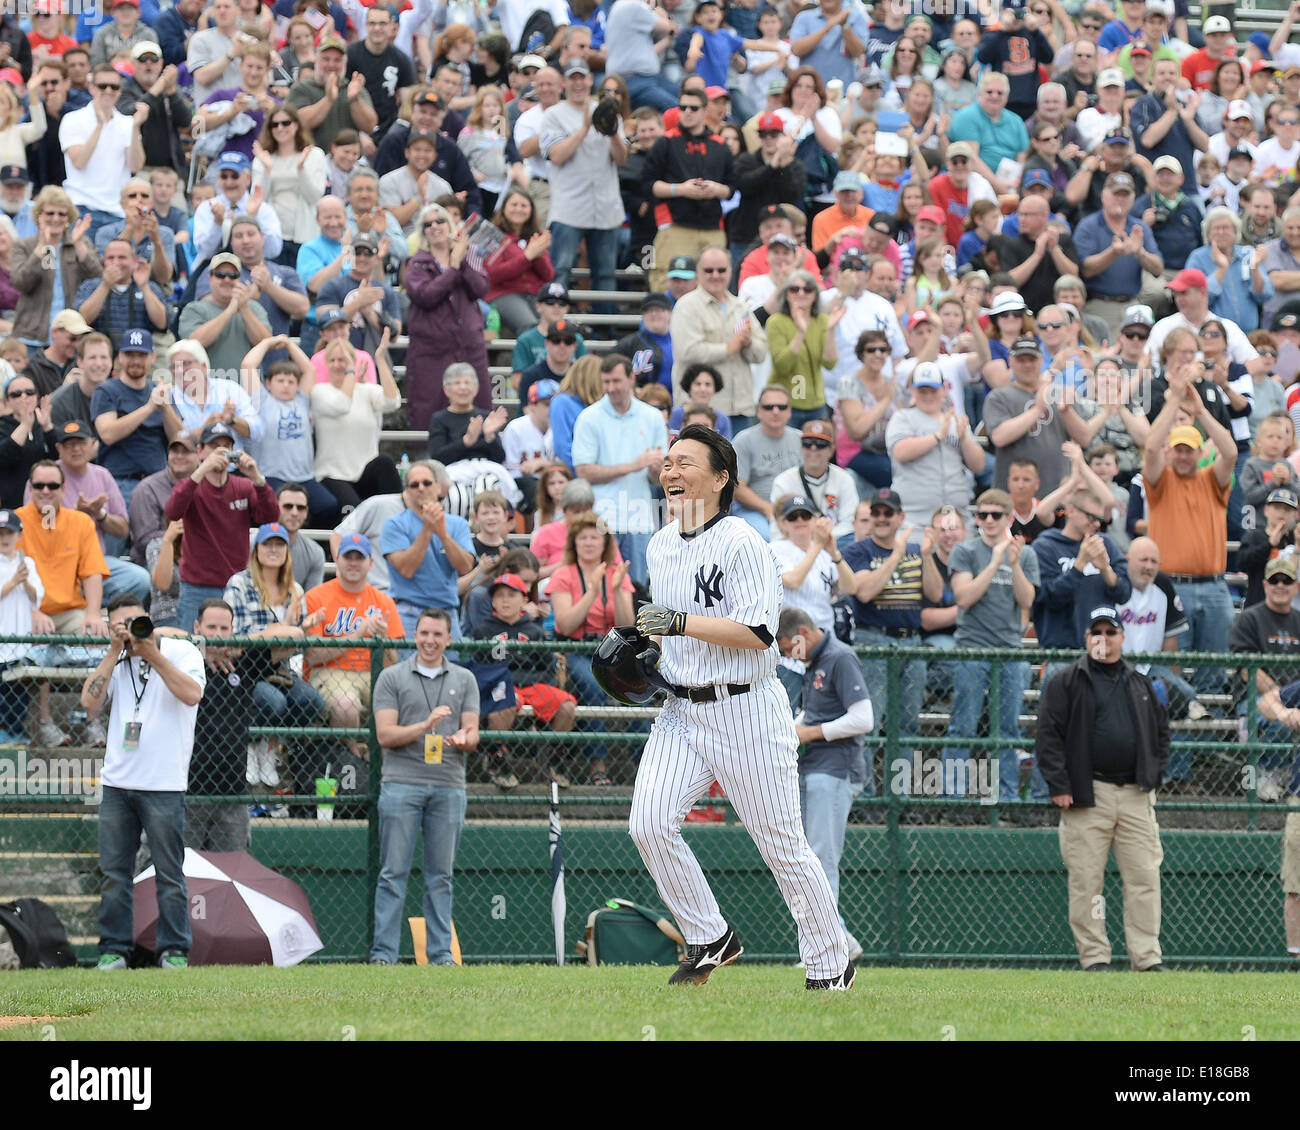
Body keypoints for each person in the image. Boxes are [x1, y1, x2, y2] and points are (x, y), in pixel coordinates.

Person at [625, 424, 854, 989]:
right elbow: (666, 630)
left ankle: (830, 965)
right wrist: (643, 650)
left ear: (722, 478)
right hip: (681, 710)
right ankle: (709, 937)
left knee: (781, 845)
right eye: (668, 462)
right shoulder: (659, 543)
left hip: (745, 710)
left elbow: (757, 632)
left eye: (686, 463)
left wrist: (675, 622)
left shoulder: (743, 541)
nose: (671, 471)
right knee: (648, 823)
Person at [1037, 605, 1169, 972]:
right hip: (1086, 795)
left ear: (1122, 638)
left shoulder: (1141, 683)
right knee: (1087, 882)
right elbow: (1048, 738)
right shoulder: (1065, 682)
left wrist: (1153, 776)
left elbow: (1161, 734)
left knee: (1144, 879)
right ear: (1086, 639)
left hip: (1135, 796)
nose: (1104, 640)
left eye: (1111, 632)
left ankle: (1146, 958)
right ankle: (1095, 956)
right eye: (1097, 632)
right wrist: (1060, 785)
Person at [82, 592, 206, 971]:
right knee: (114, 875)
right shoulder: (115, 659)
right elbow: (89, 705)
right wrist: (111, 653)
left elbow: (192, 695)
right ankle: (114, 950)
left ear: (149, 620)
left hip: (164, 784)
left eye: (136, 622)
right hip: (118, 783)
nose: (131, 632)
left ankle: (173, 951)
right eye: (121, 624)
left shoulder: (182, 652)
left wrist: (152, 653)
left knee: (169, 874)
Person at [369, 606, 479, 965]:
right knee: (392, 874)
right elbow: (385, 735)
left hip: (449, 785)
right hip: (402, 784)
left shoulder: (464, 679)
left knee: (441, 876)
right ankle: (383, 955)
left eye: (437, 635)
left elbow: (472, 733)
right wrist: (426, 724)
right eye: (424, 634)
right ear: (414, 636)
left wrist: (463, 738)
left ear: (449, 639)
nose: (430, 641)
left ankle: (440, 956)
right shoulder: (391, 677)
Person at [776, 605, 872, 965]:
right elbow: (816, 715)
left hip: (834, 770)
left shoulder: (839, 656)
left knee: (820, 860)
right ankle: (837, 941)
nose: (789, 655)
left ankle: (827, 947)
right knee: (809, 859)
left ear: (802, 634)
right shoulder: (816, 662)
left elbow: (864, 718)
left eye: (788, 647)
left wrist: (808, 732)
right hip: (814, 768)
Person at [946, 488, 1042, 805]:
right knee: (963, 726)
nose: (988, 520)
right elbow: (964, 598)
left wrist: (1012, 563)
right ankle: (954, 798)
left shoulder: (1025, 554)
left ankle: (1008, 798)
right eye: (982, 515)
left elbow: (1027, 601)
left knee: (1008, 731)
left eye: (995, 515)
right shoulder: (965, 551)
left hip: (1010, 651)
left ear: (1009, 518)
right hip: (971, 649)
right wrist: (995, 562)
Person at [1143, 361, 1238, 676]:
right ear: (1171, 452)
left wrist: (1200, 412)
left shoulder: (1212, 478)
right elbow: (1151, 447)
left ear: (1200, 453)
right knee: (1173, 672)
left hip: (1214, 586)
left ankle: (1209, 722)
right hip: (1172, 585)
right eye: (1178, 450)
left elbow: (1231, 451)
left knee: (1216, 669)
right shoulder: (1160, 480)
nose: (1183, 456)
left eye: (1189, 450)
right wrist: (1173, 401)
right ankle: (1181, 725)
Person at [17, 458, 110, 747]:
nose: (46, 491)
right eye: (39, 485)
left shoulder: (80, 522)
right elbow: (10, 574)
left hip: (71, 610)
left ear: (63, 488)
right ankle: (44, 723)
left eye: (53, 485)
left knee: (101, 637)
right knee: (38, 641)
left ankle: (93, 722)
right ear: (30, 488)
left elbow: (93, 572)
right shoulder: (14, 522)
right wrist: (31, 611)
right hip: (30, 610)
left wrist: (93, 613)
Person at [164, 421, 280, 633]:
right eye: (214, 447)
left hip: (236, 585)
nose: (222, 453)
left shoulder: (243, 486)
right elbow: (172, 512)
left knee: (234, 650)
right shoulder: (191, 486)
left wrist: (256, 477)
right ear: (200, 451)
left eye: (227, 447)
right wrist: (202, 469)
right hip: (196, 586)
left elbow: (270, 518)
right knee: (191, 649)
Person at [302, 531, 404, 766]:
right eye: (348, 557)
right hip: (331, 672)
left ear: (370, 563)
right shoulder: (316, 596)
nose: (353, 563)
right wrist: (358, 634)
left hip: (373, 672)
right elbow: (313, 655)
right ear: (337, 560)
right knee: (345, 705)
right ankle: (352, 754)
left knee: (409, 701)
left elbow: (392, 661)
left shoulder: (383, 601)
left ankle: (391, 769)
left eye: (360, 558)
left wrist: (382, 640)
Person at [572, 354, 667, 587]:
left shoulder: (652, 417)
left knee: (637, 591)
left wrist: (655, 469)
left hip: (640, 519)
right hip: (601, 517)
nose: (610, 388)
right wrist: (635, 464)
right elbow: (583, 471)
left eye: (616, 381)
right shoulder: (589, 417)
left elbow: (657, 478)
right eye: (606, 382)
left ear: (631, 378)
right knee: (599, 590)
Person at [42, 419, 151, 604]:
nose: (76, 449)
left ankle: (103, 615)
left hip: (95, 561)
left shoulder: (103, 475)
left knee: (140, 580)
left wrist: (100, 515)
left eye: (81, 443)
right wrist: (76, 516)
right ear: (58, 448)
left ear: (93, 445)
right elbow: (42, 528)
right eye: (69, 444)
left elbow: (123, 529)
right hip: (56, 562)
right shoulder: (46, 477)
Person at [540, 61, 625, 297]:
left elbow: (621, 159)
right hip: (569, 208)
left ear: (590, 80)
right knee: (561, 270)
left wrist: (613, 131)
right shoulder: (552, 115)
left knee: (606, 274)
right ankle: (555, 329)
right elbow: (556, 156)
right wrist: (585, 127)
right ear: (564, 83)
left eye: (582, 77)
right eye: (572, 78)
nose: (578, 83)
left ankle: (605, 331)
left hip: (606, 207)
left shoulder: (608, 109)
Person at [642, 84, 733, 294]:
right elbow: (648, 184)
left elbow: (732, 187)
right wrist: (680, 189)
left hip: (712, 227)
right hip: (675, 226)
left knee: (715, 289)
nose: (687, 112)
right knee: (666, 287)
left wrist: (716, 189)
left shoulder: (720, 144)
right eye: (683, 108)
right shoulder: (665, 142)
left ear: (704, 110)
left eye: (693, 108)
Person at [405, 202, 490, 424]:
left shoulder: (467, 254)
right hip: (432, 350)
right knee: (430, 407)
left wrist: (461, 263)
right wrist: (452, 268)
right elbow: (425, 295)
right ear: (422, 231)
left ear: (450, 224)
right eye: (428, 224)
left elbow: (481, 289)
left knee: (477, 406)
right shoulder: (417, 263)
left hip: (469, 347)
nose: (435, 226)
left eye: (440, 220)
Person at [186, 598, 254, 852]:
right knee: (182, 874)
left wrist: (239, 645)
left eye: (224, 629)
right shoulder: (182, 659)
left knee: (231, 875)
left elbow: (291, 634)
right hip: (188, 790)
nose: (217, 635)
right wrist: (198, 647)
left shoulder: (244, 663)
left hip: (232, 792)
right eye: (211, 627)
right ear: (196, 627)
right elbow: (158, 632)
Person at [884, 362, 986, 528]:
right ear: (913, 391)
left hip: (956, 517)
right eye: (922, 390)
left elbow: (979, 465)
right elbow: (900, 452)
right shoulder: (903, 418)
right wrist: (937, 436)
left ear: (943, 390)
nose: (928, 395)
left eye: (933, 390)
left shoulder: (956, 421)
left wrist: (965, 439)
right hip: (915, 518)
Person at [382, 464, 475, 640]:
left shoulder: (458, 524)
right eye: (414, 485)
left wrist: (442, 534)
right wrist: (427, 528)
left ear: (438, 487)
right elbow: (406, 569)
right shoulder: (394, 524)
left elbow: (465, 566)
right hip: (407, 613)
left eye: (427, 482)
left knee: (452, 667)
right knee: (405, 667)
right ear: (407, 492)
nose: (421, 488)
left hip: (447, 613)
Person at [57, 63, 148, 243]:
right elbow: (79, 162)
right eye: (102, 86)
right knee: (83, 270)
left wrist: (135, 127)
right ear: (91, 88)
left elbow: (135, 165)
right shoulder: (73, 119)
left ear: (120, 91)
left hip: (118, 212)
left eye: (114, 86)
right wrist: (99, 125)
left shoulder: (127, 123)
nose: (108, 90)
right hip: (82, 209)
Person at [312, 334, 402, 515]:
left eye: (344, 360)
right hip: (332, 475)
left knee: (385, 463)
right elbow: (342, 405)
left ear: (354, 361)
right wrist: (351, 373)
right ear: (326, 364)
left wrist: (381, 360)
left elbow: (393, 402)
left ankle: (400, 520)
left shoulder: (365, 389)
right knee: (356, 511)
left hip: (364, 472)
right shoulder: (319, 391)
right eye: (333, 360)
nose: (338, 364)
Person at [11, 187, 102, 349]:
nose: (56, 218)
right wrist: (41, 248)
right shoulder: (24, 246)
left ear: (69, 218)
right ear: (39, 216)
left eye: (62, 214)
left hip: (71, 337)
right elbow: (20, 283)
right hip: (31, 336)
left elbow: (97, 278)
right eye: (50, 213)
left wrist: (78, 245)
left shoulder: (80, 243)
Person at [769, 419, 859, 540]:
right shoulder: (783, 481)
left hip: (833, 542)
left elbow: (849, 524)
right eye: (807, 443)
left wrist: (820, 539)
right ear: (801, 447)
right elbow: (777, 529)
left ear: (831, 450)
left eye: (820, 444)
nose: (813, 448)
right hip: (797, 545)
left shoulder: (844, 479)